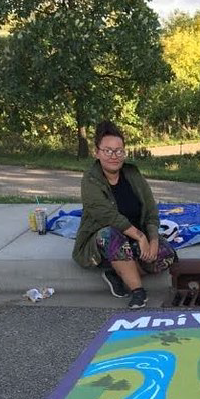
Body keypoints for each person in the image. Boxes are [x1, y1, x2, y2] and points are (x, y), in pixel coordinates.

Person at [74, 121, 176, 309]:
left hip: (135, 241)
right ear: (97, 152)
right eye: (108, 151)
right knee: (112, 235)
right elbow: (108, 216)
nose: (114, 156)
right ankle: (138, 291)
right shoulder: (90, 180)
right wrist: (141, 237)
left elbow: (151, 211)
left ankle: (117, 272)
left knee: (167, 255)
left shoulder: (133, 174)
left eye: (119, 151)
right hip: (103, 241)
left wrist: (153, 240)